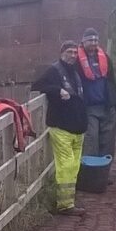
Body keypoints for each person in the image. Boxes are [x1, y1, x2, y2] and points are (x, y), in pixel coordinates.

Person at [31, 40, 89, 215]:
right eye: (69, 52)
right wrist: (57, 90)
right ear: (61, 53)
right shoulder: (54, 70)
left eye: (74, 52)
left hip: (78, 127)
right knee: (66, 165)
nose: (72, 56)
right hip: (61, 126)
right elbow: (37, 85)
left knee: (74, 165)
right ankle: (64, 205)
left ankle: (69, 199)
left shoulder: (76, 71)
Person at [76, 28, 116, 164]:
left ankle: (105, 171)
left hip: (106, 105)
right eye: (90, 40)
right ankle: (91, 171)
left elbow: (112, 80)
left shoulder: (105, 57)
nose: (93, 43)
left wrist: (115, 101)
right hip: (89, 106)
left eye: (96, 40)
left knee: (108, 141)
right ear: (83, 42)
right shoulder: (76, 60)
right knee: (91, 140)